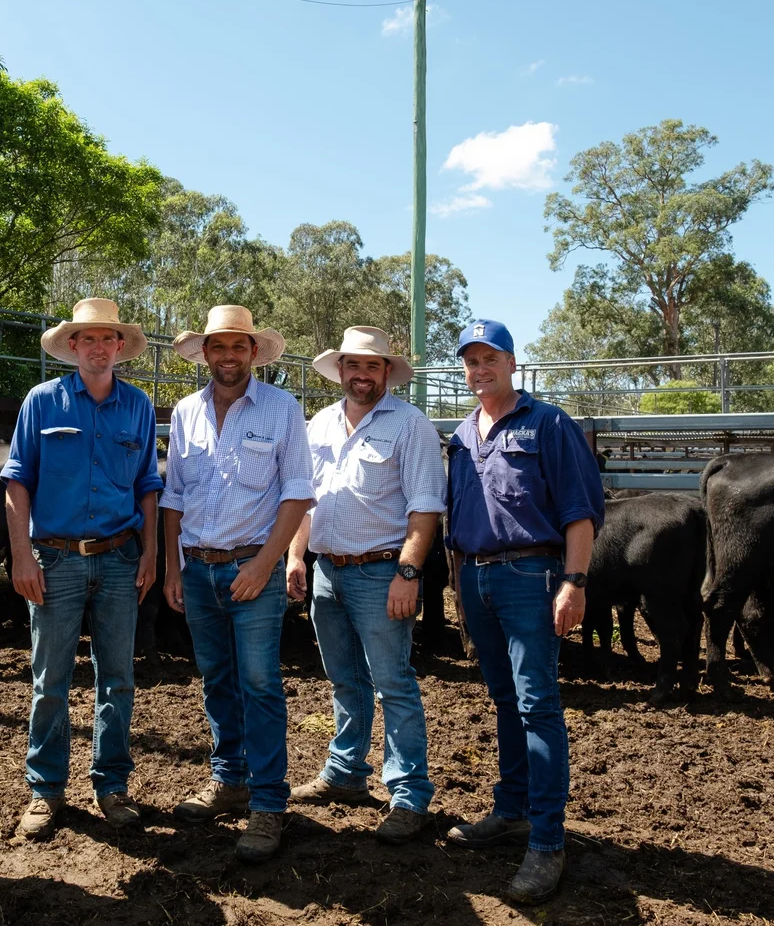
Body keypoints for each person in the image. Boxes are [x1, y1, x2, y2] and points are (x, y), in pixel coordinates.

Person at [442, 318, 604, 904]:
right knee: (505, 700)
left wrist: (574, 581)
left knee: (538, 702)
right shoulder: (462, 434)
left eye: (491, 358)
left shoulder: (548, 422)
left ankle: (547, 839)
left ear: (513, 363)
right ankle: (511, 811)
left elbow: (580, 510)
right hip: (477, 579)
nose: (480, 369)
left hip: (531, 576)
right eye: (471, 361)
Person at [1, 298, 162, 840]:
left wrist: (151, 552)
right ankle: (45, 791)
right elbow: (17, 479)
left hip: (119, 557)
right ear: (73, 346)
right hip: (55, 557)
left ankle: (111, 785)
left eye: (107, 339)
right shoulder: (42, 402)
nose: (97, 347)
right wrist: (21, 554)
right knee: (51, 679)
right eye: (87, 339)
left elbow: (147, 485)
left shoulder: (138, 405)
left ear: (121, 346)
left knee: (117, 678)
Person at [159, 305, 314, 864]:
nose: (227, 356)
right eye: (217, 347)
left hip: (254, 567)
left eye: (237, 347)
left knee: (260, 683)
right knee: (217, 678)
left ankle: (269, 802)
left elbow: (298, 493)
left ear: (253, 353)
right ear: (205, 353)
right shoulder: (185, 413)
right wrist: (175, 568)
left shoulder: (282, 408)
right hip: (198, 569)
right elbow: (174, 495)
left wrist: (265, 564)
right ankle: (230, 779)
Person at [285, 326, 445, 844]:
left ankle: (409, 792)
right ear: (340, 370)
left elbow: (425, 510)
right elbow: (308, 498)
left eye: (372, 366)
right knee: (344, 679)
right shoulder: (320, 424)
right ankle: (346, 772)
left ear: (385, 373)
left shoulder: (410, 424)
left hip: (381, 571)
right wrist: (295, 556)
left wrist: (407, 572)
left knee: (393, 681)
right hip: (328, 570)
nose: (361, 374)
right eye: (353, 365)